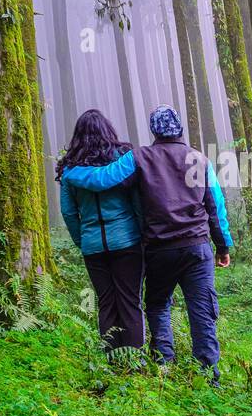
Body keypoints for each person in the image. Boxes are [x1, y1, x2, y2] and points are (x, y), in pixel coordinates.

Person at [61, 105, 232, 379]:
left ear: (153, 131)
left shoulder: (139, 158)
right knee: (202, 309)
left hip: (159, 249)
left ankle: (164, 364)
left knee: (157, 305)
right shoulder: (199, 160)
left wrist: (70, 172)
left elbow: (102, 178)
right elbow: (215, 206)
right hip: (197, 247)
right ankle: (209, 373)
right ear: (180, 129)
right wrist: (223, 246)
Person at [56, 110, 145, 352]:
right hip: (127, 241)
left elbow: (69, 212)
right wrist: (141, 232)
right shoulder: (122, 161)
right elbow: (137, 202)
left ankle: (110, 360)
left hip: (92, 245)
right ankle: (134, 362)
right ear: (108, 131)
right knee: (130, 302)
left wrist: (82, 239)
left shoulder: (70, 171)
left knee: (106, 303)